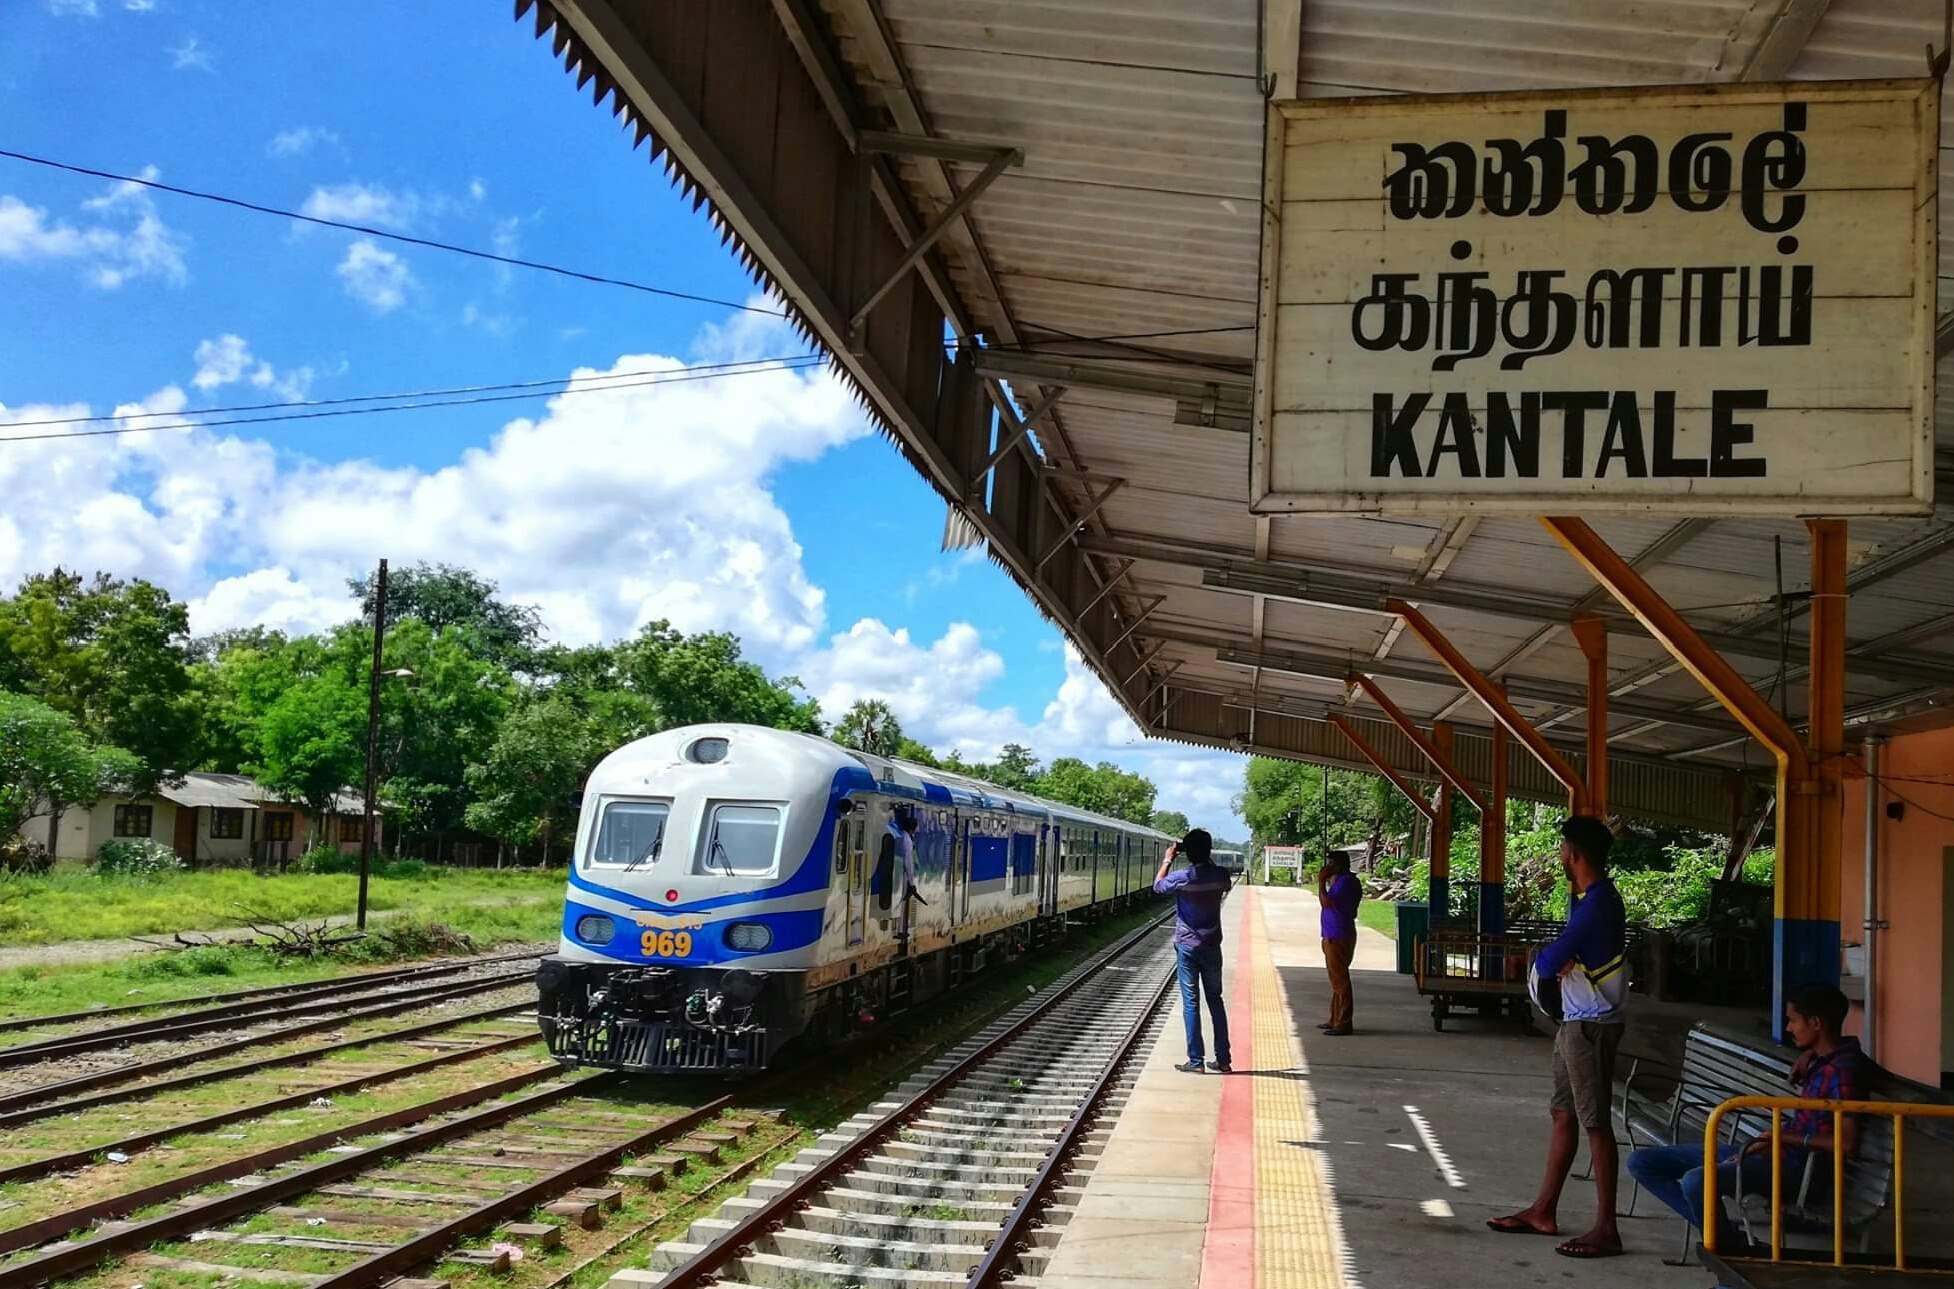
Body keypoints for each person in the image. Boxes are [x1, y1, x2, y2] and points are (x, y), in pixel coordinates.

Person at [1626, 983, 1869, 1254]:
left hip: (1797, 1171)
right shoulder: (1825, 1059)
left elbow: (1846, 1143)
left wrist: (1778, 1137)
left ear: (1815, 1024)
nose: (1788, 1028)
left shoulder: (1843, 1072)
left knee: (1697, 1181)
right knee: (1642, 1162)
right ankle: (1726, 1235)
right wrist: (1810, 1053)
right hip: (1770, 1153)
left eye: (1793, 1021)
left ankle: (1727, 1247)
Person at [1488, 815, 1628, 1259]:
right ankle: (1543, 1210)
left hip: (1591, 1026)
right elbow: (1558, 956)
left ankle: (1606, 1228)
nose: (1561, 855)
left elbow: (1549, 962)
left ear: (1575, 854)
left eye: (1563, 848)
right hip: (1575, 1022)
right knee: (1563, 1113)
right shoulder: (1591, 901)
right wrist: (1554, 956)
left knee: (1595, 1123)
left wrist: (1549, 958)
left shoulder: (1598, 904)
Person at [1154, 828, 1233, 1073]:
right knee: (1216, 1000)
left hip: (1187, 946)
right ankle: (1223, 1060)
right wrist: (1205, 857)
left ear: (1187, 853)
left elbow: (1158, 886)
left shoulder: (1182, 877)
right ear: (1209, 851)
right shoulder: (1220, 875)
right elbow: (1226, 883)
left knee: (1191, 1002)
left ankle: (1196, 1061)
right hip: (1212, 945)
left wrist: (1168, 859)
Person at [1317, 852, 1361, 1035]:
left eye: (1331, 864)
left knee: (1340, 980)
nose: (1328, 867)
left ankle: (1343, 1022)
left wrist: (1321, 881)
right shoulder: (1345, 881)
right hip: (1336, 933)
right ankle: (1335, 1018)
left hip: (1337, 935)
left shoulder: (1345, 883)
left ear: (1339, 865)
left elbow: (1326, 902)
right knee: (1336, 979)